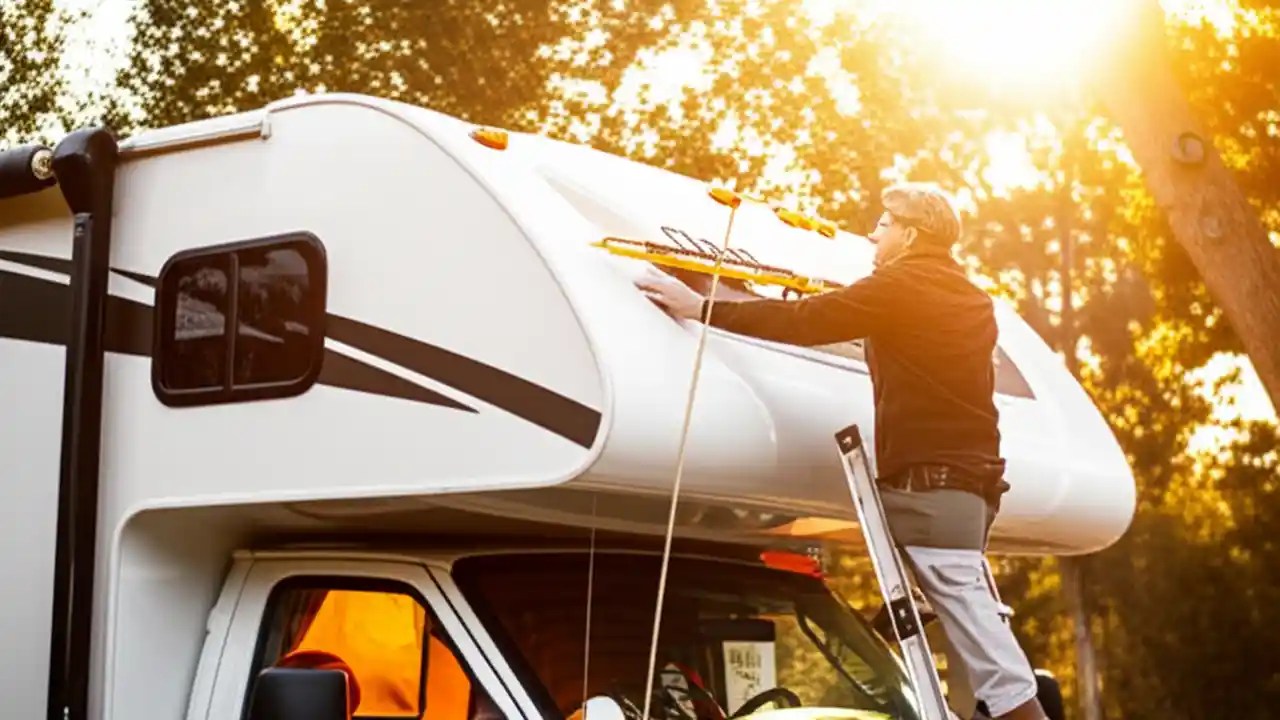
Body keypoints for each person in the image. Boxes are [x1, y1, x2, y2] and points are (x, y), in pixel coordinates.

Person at [634, 182, 1048, 720]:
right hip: (973, 496)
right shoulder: (973, 301)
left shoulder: (899, 287)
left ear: (910, 234)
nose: (873, 233)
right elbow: (912, 351)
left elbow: (806, 320)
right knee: (965, 630)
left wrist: (702, 307)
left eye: (884, 222)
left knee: (993, 661)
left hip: (930, 492)